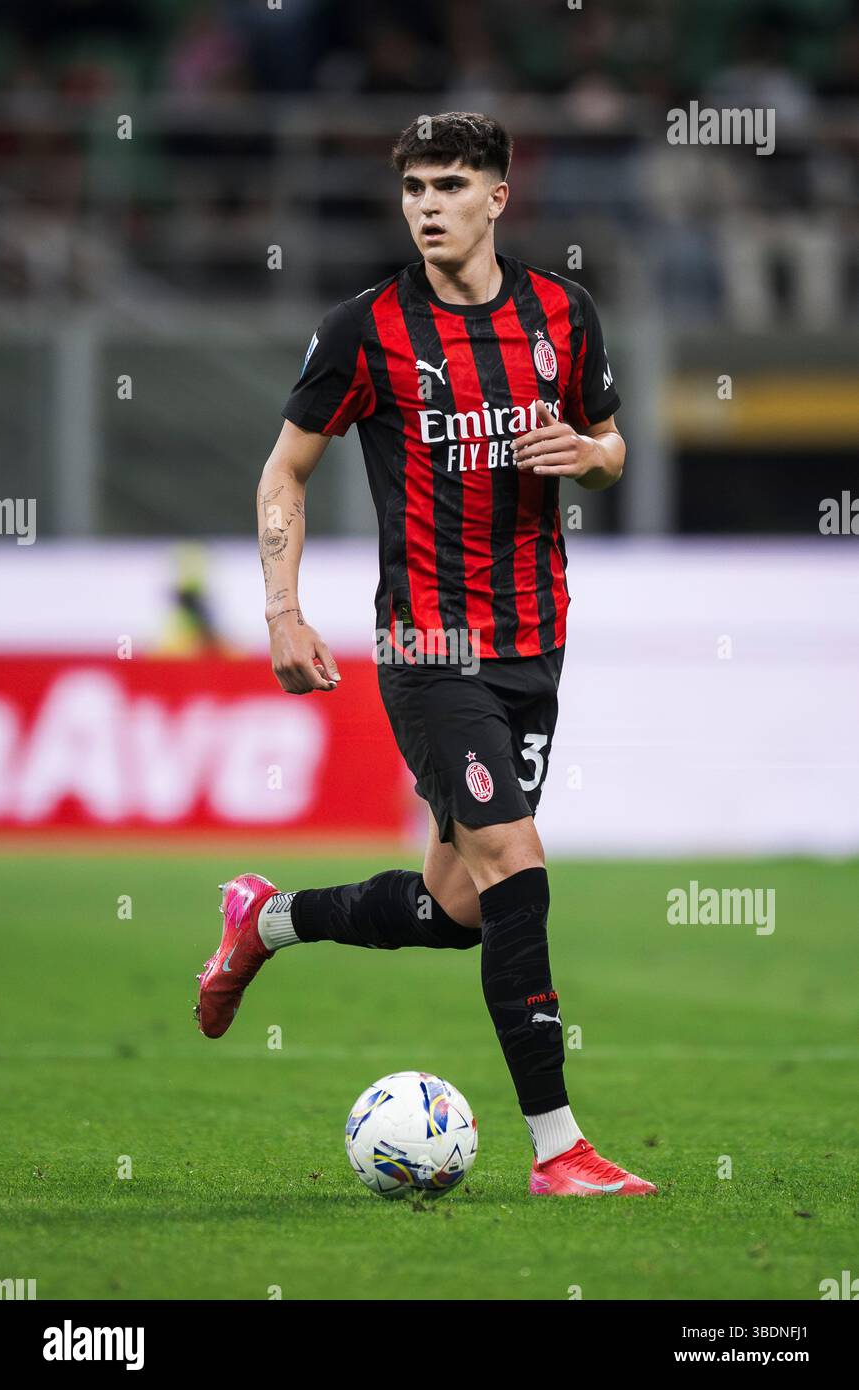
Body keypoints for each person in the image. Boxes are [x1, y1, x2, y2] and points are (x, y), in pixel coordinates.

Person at [194, 111, 656, 1198]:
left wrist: (588, 455)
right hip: (426, 640)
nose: (428, 205)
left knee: (455, 910)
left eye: (450, 184)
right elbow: (284, 473)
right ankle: (558, 1150)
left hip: (534, 639)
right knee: (515, 865)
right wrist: (279, 609)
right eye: (412, 188)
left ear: (498, 195)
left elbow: (610, 444)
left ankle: (264, 919)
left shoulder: (560, 312)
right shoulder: (364, 330)